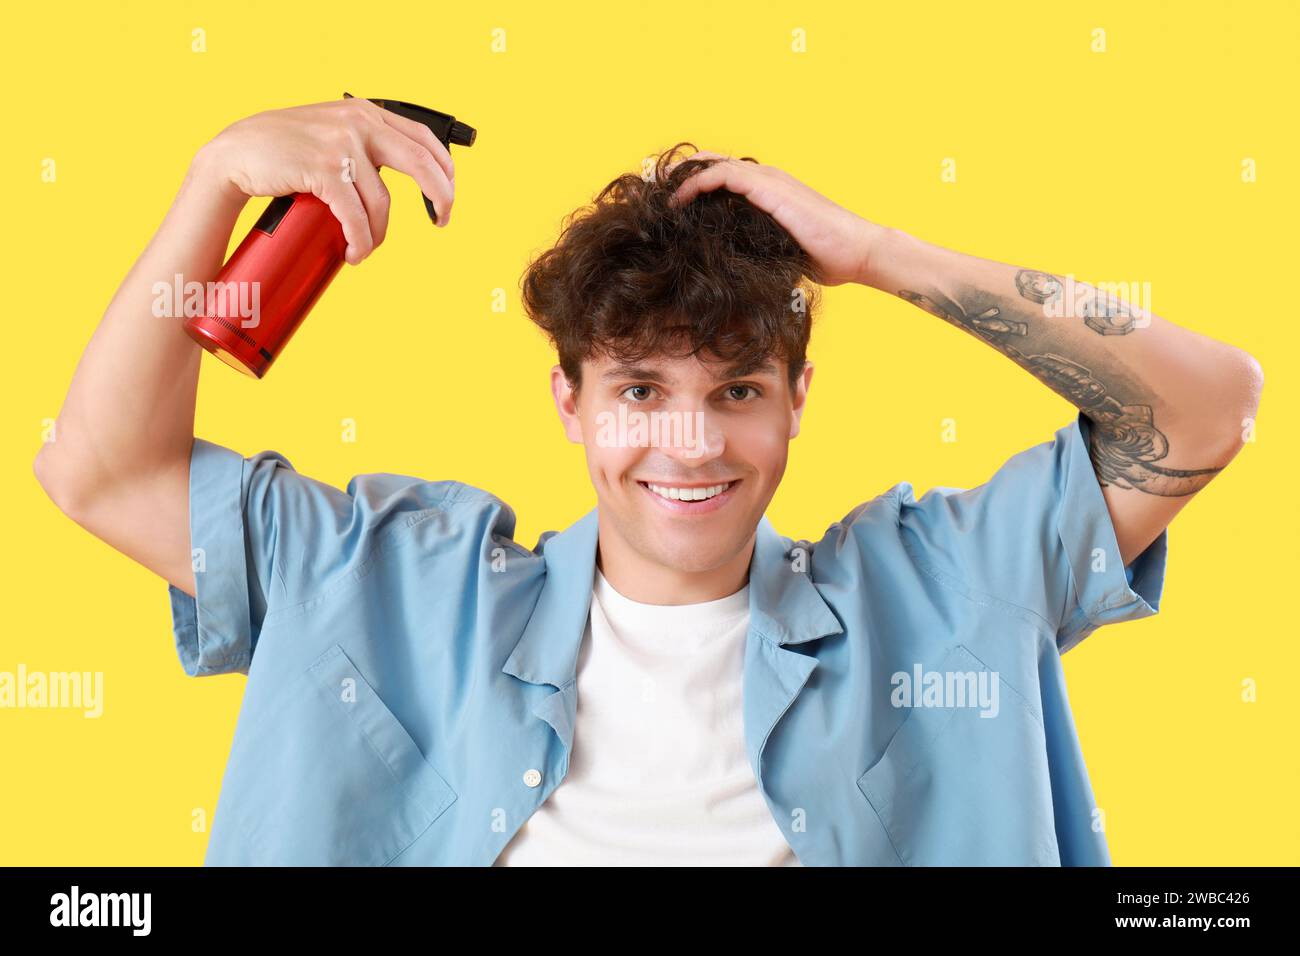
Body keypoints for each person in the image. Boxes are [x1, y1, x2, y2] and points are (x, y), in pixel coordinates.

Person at [34, 97, 1262, 866]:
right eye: (637, 390)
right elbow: (98, 470)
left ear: (797, 401)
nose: (690, 443)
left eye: (736, 389)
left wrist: (882, 256)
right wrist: (216, 181)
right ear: (567, 401)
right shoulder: (388, 583)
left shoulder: (942, 590)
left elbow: (1209, 402)